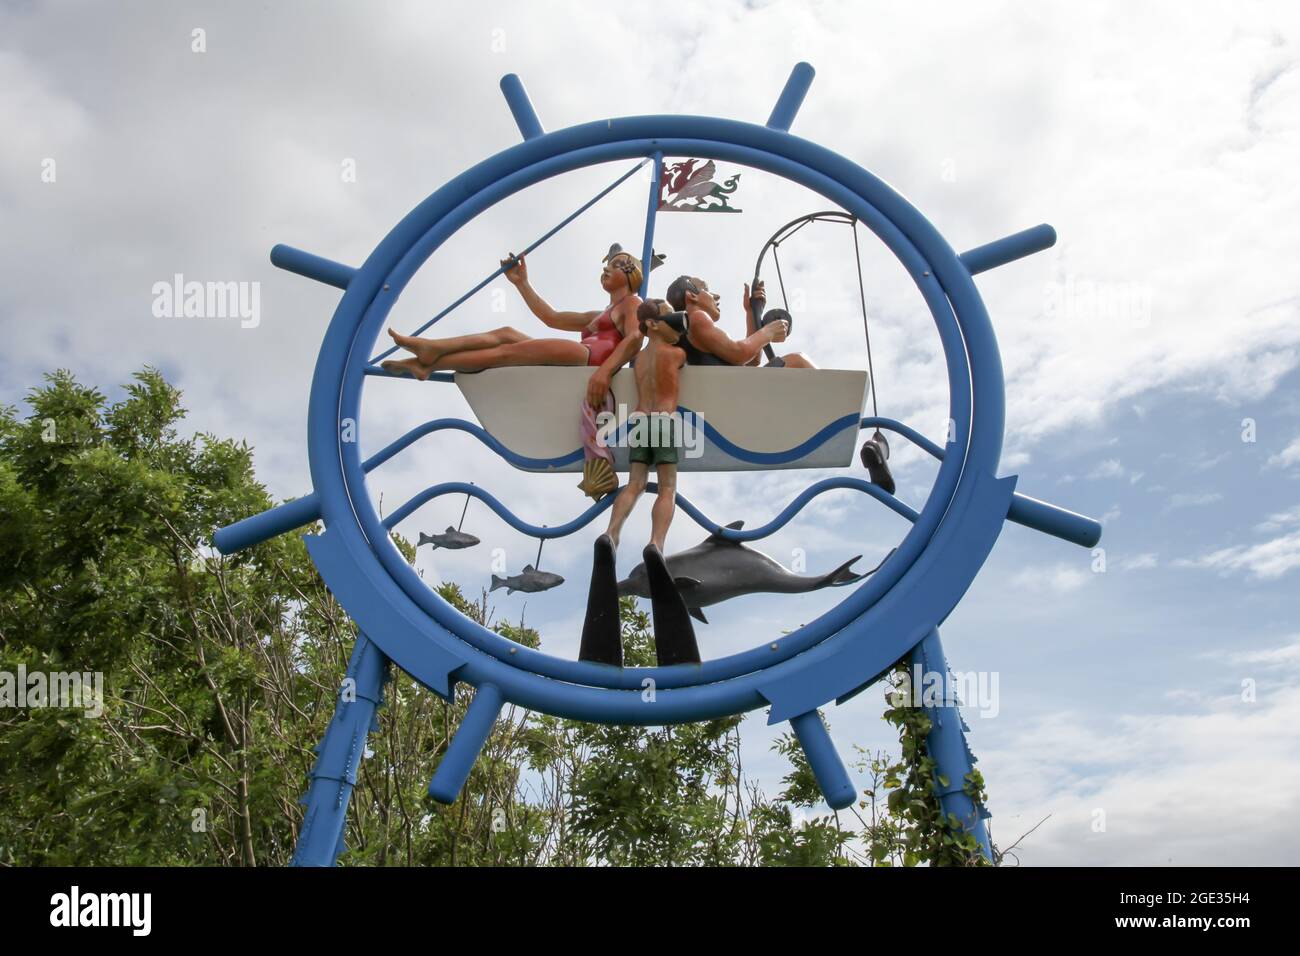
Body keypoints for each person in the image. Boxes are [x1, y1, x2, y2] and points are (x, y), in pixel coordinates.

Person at [580, 299, 700, 668]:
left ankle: (612, 533)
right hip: (665, 420)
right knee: (667, 489)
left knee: (633, 484)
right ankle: (655, 544)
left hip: (639, 422)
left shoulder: (639, 360)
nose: (671, 321)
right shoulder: (675, 354)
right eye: (663, 317)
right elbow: (692, 345)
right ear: (652, 324)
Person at [382, 244, 651, 407]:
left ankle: (430, 363)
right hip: (582, 354)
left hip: (589, 359)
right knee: (506, 334)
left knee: (507, 354)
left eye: (615, 266)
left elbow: (635, 338)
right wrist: (521, 283)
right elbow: (552, 318)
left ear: (631, 275)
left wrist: (604, 372)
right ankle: (431, 349)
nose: (606, 269)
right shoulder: (602, 312)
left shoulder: (632, 304)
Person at [664, 274, 816, 368]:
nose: (716, 296)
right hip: (731, 394)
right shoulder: (697, 317)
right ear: (692, 296)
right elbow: (739, 353)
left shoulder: (688, 329)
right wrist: (768, 332)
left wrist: (752, 312)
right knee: (798, 361)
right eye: (707, 289)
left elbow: (752, 362)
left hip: (730, 394)